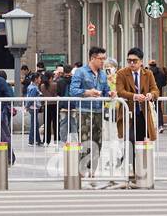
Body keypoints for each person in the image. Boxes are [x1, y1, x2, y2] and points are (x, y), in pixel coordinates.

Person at [114, 47, 159, 181]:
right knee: (130, 140)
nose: (131, 63)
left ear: (141, 62)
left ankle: (139, 169)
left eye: (134, 61)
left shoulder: (148, 74)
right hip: (128, 113)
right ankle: (130, 168)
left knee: (141, 142)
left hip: (143, 113)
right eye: (129, 61)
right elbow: (120, 91)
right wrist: (134, 96)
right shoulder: (122, 73)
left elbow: (155, 89)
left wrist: (151, 94)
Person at [66, 47, 112, 172]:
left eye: (104, 59)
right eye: (101, 59)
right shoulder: (80, 72)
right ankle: (82, 170)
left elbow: (106, 90)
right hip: (84, 111)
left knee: (98, 143)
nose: (103, 61)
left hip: (98, 111)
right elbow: (73, 91)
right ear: (92, 58)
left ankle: (93, 171)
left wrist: (110, 94)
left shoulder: (102, 74)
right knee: (85, 142)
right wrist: (88, 92)